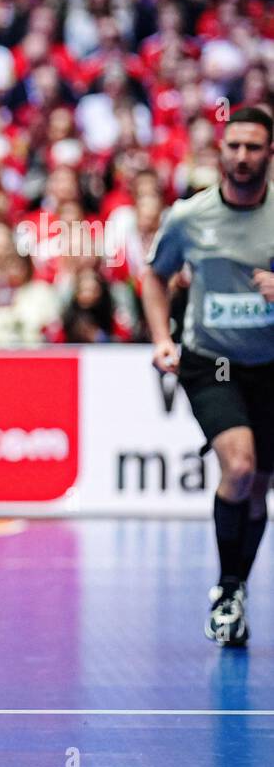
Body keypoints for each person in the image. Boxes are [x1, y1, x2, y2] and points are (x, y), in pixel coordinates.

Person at [140, 105, 274, 647]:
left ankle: (235, 590)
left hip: (270, 365)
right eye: (233, 146)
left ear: (269, 155)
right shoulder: (188, 217)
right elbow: (154, 275)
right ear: (221, 151)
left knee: (259, 490)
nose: (242, 157)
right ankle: (224, 587)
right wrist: (161, 340)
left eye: (254, 148)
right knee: (238, 466)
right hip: (210, 361)